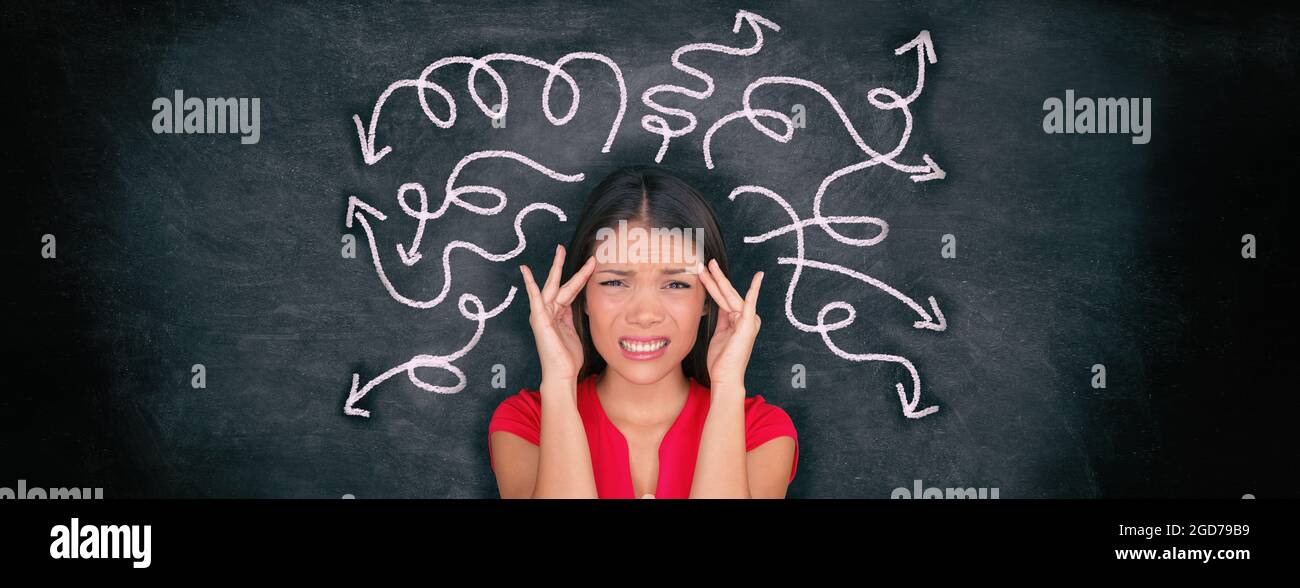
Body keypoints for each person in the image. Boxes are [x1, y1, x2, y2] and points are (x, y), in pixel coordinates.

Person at [488, 165, 798, 498]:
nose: (645, 314)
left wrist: (727, 387)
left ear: (708, 300)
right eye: (615, 282)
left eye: (676, 283)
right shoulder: (526, 423)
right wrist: (560, 383)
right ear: (582, 295)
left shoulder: (762, 432)